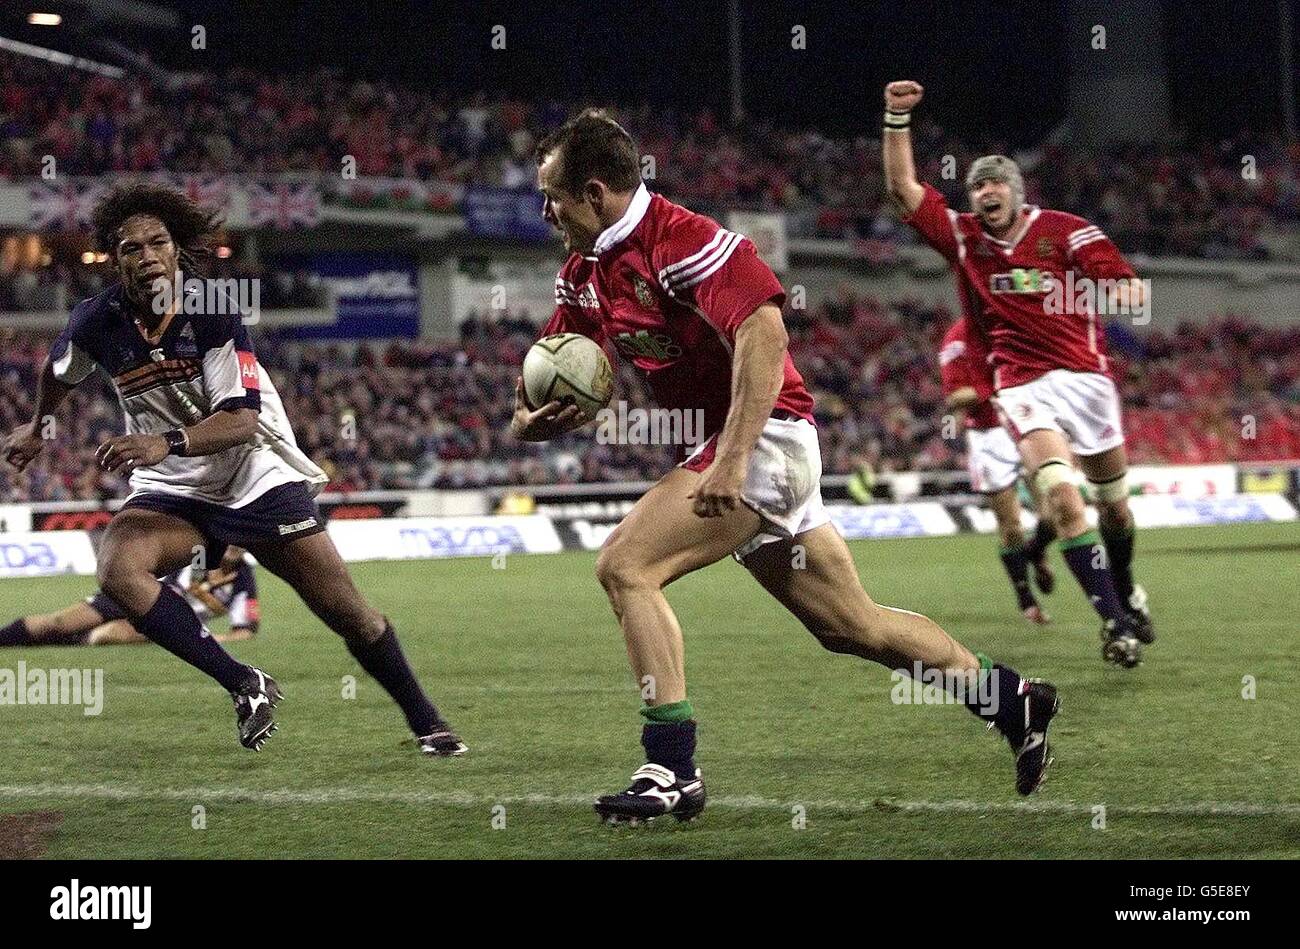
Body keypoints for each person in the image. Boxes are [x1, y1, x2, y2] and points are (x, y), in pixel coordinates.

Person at [513, 110, 1060, 824]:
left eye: (553, 196)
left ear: (594, 192)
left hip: (763, 442)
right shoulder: (584, 270)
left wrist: (733, 459)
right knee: (852, 626)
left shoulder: (685, 241)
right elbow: (558, 364)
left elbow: (763, 333)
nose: (546, 212)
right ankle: (1012, 699)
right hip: (734, 453)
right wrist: (527, 421)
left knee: (625, 566)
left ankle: (671, 766)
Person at [1, 181, 465, 755]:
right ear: (112, 259)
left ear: (177, 251)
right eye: (130, 247)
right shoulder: (95, 321)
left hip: (253, 474)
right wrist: (39, 426)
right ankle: (245, 683)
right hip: (177, 485)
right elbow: (59, 370)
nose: (146, 256)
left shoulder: (212, 310)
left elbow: (241, 421)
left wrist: (163, 442)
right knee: (118, 567)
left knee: (350, 616)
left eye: (158, 243)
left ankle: (428, 723)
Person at [882, 80, 1153, 667]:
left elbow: (1123, 280)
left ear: (1017, 192)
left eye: (996, 182)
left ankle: (1127, 589)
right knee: (1062, 499)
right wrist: (896, 120)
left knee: (1116, 508)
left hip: (1086, 380)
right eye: (977, 185)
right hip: (1022, 385)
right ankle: (1114, 624)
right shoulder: (966, 239)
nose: (985, 192)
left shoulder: (1064, 230)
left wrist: (1126, 290)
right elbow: (903, 190)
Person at [939, 317, 1056, 623]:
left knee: (1054, 515)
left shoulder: (1013, 320)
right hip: (989, 437)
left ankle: (1037, 550)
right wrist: (998, 385)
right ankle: (1026, 600)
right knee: (1011, 526)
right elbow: (954, 397)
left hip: (1027, 420)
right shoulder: (957, 340)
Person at [0, 547, 260, 647]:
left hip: (159, 618)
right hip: (130, 594)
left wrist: (212, 639)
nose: (236, 546)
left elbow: (244, 630)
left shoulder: (243, 579)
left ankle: (64, 642)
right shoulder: (197, 553)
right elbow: (174, 582)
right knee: (58, 623)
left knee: (110, 635)